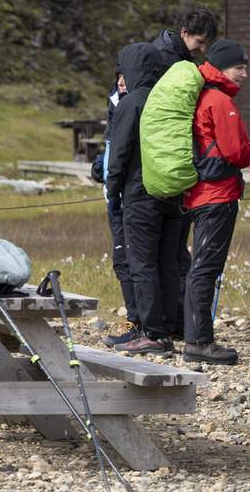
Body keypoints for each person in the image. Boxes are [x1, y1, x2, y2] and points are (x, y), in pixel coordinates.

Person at [104, 42, 178, 355]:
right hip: (172, 192)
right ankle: (166, 327)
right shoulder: (168, 98)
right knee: (167, 262)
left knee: (142, 264)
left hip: (138, 193)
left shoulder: (132, 102)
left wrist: (112, 190)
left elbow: (119, 154)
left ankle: (152, 333)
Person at [181, 39, 250, 365]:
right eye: (239, 67)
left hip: (202, 194)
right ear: (222, 68)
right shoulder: (220, 101)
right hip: (217, 195)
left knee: (201, 266)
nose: (245, 74)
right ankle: (199, 341)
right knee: (205, 268)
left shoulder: (205, 95)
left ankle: (196, 337)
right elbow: (237, 152)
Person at [152, 6, 218, 338]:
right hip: (166, 166)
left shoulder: (179, 59)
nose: (202, 50)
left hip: (170, 165)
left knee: (174, 251)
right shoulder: (164, 62)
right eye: (199, 42)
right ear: (184, 33)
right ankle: (172, 321)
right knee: (171, 252)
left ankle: (174, 319)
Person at [99, 71, 141, 348]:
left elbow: (124, 149)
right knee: (122, 260)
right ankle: (134, 320)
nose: (121, 84)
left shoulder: (136, 102)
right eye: (118, 79)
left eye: (126, 78)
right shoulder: (115, 100)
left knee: (133, 261)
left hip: (128, 193)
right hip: (114, 191)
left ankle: (138, 323)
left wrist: (113, 181)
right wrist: (101, 164)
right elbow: (111, 144)